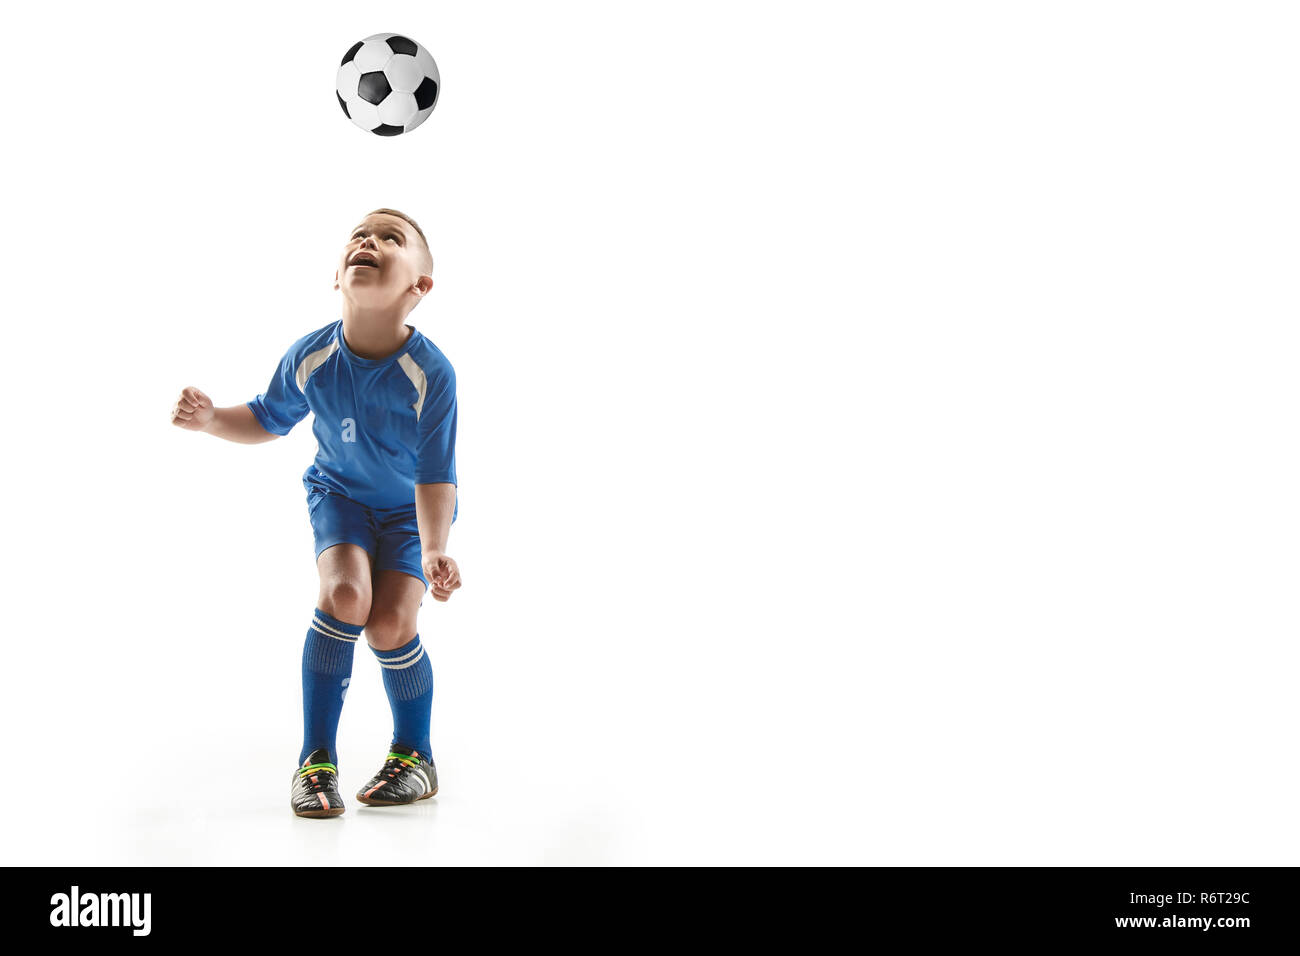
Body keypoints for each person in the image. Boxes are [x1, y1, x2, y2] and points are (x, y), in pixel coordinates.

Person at [170, 208, 461, 817]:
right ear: (336, 276)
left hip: (410, 516)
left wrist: (434, 549)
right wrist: (211, 420)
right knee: (344, 595)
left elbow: (435, 476)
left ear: (419, 287)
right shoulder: (313, 355)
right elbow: (266, 417)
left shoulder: (430, 373)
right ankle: (316, 760)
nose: (369, 241)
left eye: (390, 238)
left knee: (388, 625)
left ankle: (415, 755)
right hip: (340, 498)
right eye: (359, 234)